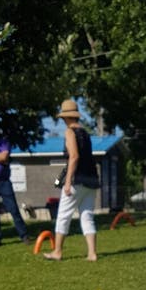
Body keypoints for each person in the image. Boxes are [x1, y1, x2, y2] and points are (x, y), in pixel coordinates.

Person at [44, 99, 99, 261]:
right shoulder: (85, 133)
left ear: (65, 118)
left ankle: (58, 252)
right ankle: (92, 253)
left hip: (77, 180)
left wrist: (67, 182)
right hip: (91, 179)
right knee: (87, 215)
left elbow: (74, 157)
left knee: (63, 215)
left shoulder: (70, 132)